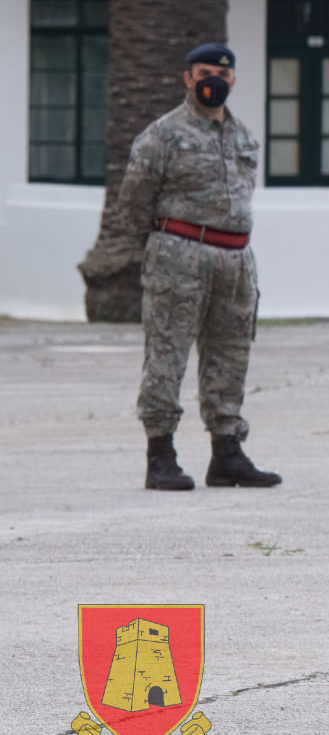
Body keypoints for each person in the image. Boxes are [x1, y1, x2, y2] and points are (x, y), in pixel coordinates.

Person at [106, 42, 280, 492]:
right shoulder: (162, 135)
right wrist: (165, 248)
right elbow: (132, 205)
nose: (213, 81)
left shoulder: (243, 136)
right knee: (167, 355)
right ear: (187, 78)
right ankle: (160, 455)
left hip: (236, 260)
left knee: (230, 355)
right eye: (204, 73)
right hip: (179, 255)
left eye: (222, 74)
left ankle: (227, 454)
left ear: (233, 79)